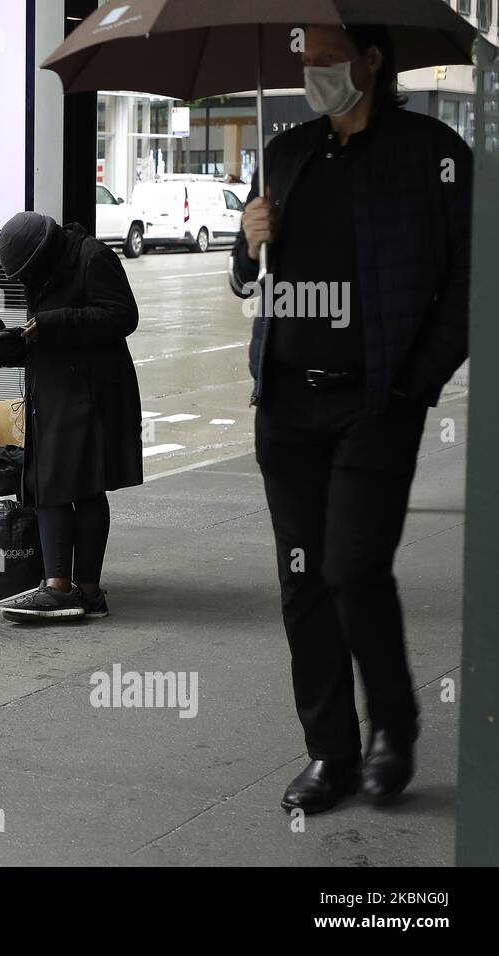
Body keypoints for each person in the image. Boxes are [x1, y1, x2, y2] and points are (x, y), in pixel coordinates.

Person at [230, 24, 471, 814]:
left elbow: (472, 283)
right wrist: (242, 245)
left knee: (351, 569)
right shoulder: (287, 152)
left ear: (372, 61)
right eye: (305, 59)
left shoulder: (432, 156)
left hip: (375, 403)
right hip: (287, 402)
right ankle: (329, 753)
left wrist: (415, 383)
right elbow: (250, 282)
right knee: (302, 584)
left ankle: (392, 727)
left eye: (329, 59)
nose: (313, 72)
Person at [0, 212, 143, 622]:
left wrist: (52, 324)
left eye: (26, 271)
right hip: (58, 390)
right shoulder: (46, 269)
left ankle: (70, 589)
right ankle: (73, 589)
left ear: (43, 254)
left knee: (76, 486)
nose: (24, 280)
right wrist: (11, 347)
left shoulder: (92, 258)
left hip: (93, 394)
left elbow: (123, 316)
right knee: (53, 481)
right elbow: (46, 333)